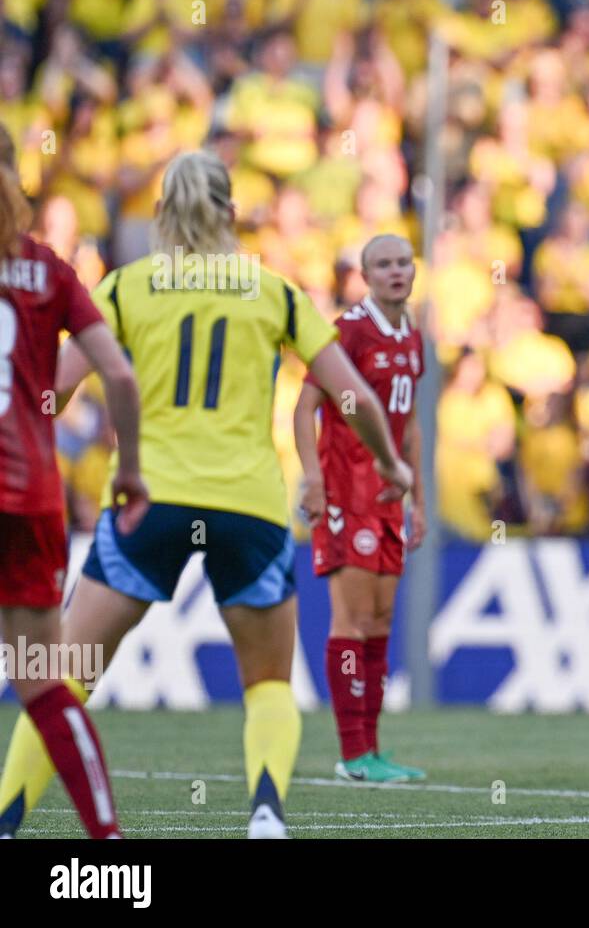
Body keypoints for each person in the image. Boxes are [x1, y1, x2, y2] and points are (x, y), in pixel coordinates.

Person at [0, 151, 412, 839]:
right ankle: (265, 817)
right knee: (269, 686)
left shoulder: (129, 287)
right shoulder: (273, 291)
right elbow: (352, 394)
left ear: (161, 214)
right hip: (246, 507)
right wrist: (391, 463)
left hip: (147, 503)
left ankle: (8, 822)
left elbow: (56, 387)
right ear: (230, 213)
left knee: (61, 677)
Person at [0, 126, 147, 839]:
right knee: (44, 686)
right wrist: (129, 469)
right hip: (32, 498)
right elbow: (118, 372)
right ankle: (108, 848)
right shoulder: (51, 271)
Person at [295, 233, 426, 783]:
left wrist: (416, 498)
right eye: (384, 264)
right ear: (365, 275)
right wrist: (313, 480)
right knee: (350, 620)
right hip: (347, 491)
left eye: (403, 262)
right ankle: (352, 754)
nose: (396, 272)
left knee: (380, 621)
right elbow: (305, 409)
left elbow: (410, 421)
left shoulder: (413, 337)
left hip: (388, 498)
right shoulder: (347, 331)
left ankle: (371, 751)